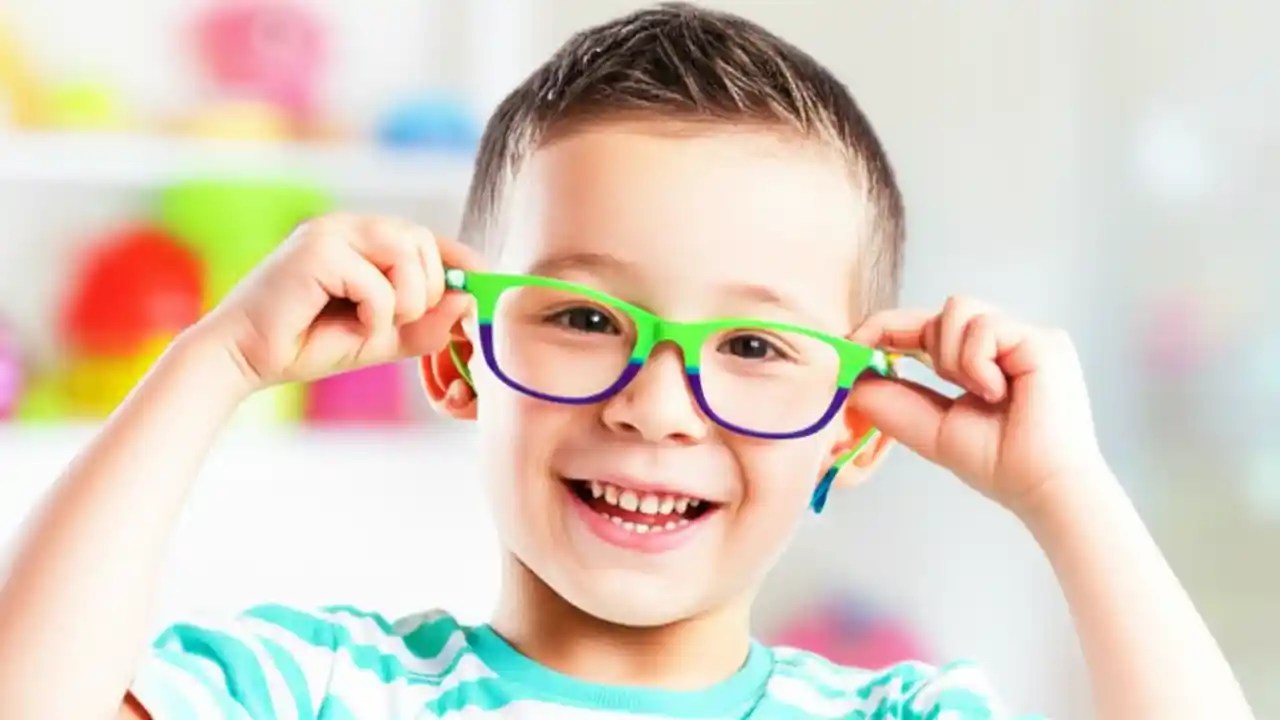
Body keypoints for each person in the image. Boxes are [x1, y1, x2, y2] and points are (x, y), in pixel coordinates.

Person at [0, 4, 1254, 719]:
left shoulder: (894, 717)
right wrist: (213, 361)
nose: (656, 405)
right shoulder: (325, 688)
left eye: (753, 344)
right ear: (458, 364)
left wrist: (1067, 494)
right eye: (585, 319)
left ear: (855, 427)